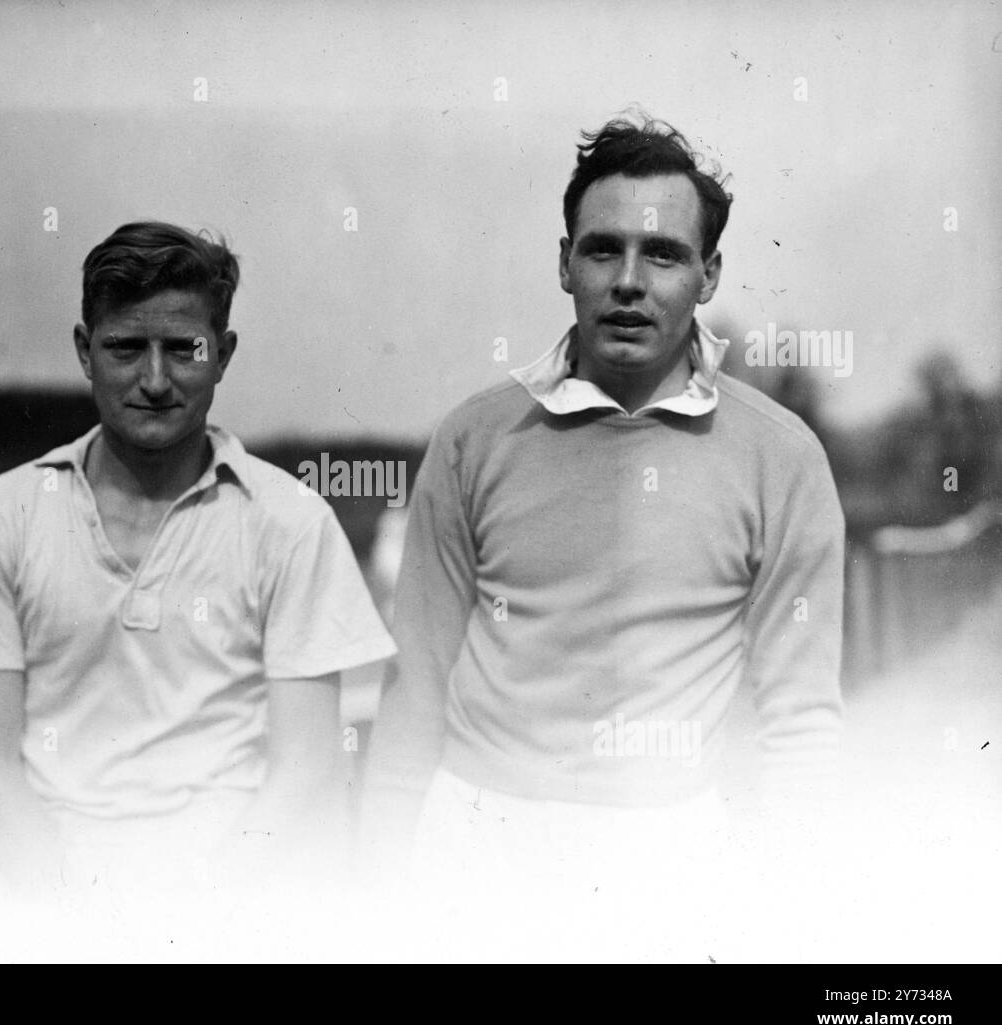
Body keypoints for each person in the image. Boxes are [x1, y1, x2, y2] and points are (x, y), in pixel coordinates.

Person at [360, 114, 846, 942]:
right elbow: (416, 689)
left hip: (671, 862)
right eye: (602, 249)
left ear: (709, 274)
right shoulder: (474, 437)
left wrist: (794, 916)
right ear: (563, 263)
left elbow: (799, 721)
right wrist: (376, 902)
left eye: (662, 254)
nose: (629, 280)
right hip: (476, 852)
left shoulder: (782, 457)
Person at [0, 221, 396, 906]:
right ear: (85, 351)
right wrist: (75, 913)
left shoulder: (294, 523)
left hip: (235, 907)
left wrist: (198, 912)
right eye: (125, 348)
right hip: (54, 912)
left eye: (183, 349)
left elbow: (306, 765)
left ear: (223, 354)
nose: (154, 379)